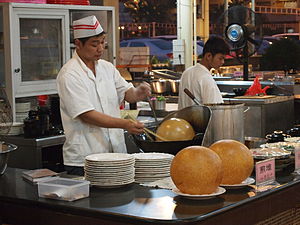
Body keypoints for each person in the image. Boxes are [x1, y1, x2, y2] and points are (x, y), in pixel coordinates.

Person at [56, 15, 151, 176]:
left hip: (116, 154)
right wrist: (125, 124)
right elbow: (87, 115)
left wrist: (139, 91)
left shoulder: (107, 68)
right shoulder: (69, 74)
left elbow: (129, 95)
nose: (100, 48)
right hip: (85, 159)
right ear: (78, 44)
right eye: (94, 44)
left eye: (102, 42)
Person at [178, 36, 230, 109]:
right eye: (220, 58)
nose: (222, 62)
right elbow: (216, 109)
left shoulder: (187, 72)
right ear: (208, 56)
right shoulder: (206, 78)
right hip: (200, 120)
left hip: (184, 120)